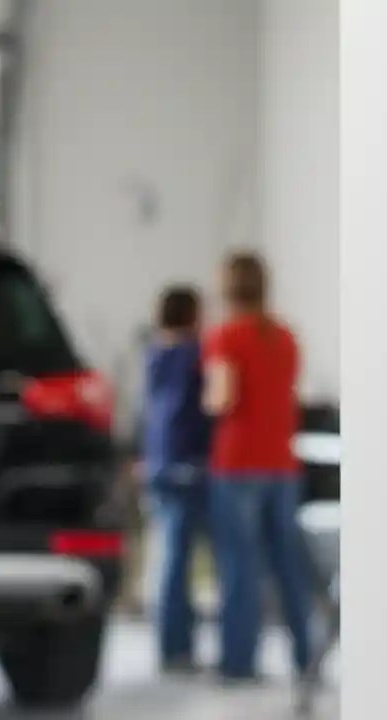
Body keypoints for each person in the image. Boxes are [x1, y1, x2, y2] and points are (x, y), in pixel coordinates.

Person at [203, 252, 310, 683]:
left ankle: (238, 662)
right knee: (288, 565)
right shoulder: (284, 337)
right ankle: (306, 656)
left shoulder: (226, 336)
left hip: (237, 462)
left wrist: (203, 399)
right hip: (282, 463)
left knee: (239, 567)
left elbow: (222, 398)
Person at [142, 285, 212, 673]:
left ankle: (173, 647)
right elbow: (196, 412)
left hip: (159, 463)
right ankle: (177, 650)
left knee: (169, 559)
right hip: (186, 465)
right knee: (178, 563)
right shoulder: (191, 355)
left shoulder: (154, 353)